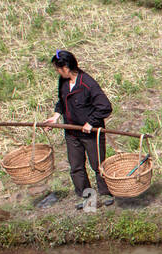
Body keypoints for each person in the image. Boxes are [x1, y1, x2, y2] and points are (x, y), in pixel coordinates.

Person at [41, 49, 114, 209]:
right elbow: (61, 101)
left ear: (66, 67)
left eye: (58, 69)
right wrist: (55, 116)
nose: (57, 72)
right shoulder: (63, 82)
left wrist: (91, 122)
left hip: (91, 134)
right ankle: (87, 198)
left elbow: (105, 107)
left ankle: (106, 193)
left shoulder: (87, 83)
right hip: (72, 132)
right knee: (76, 166)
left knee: (98, 164)